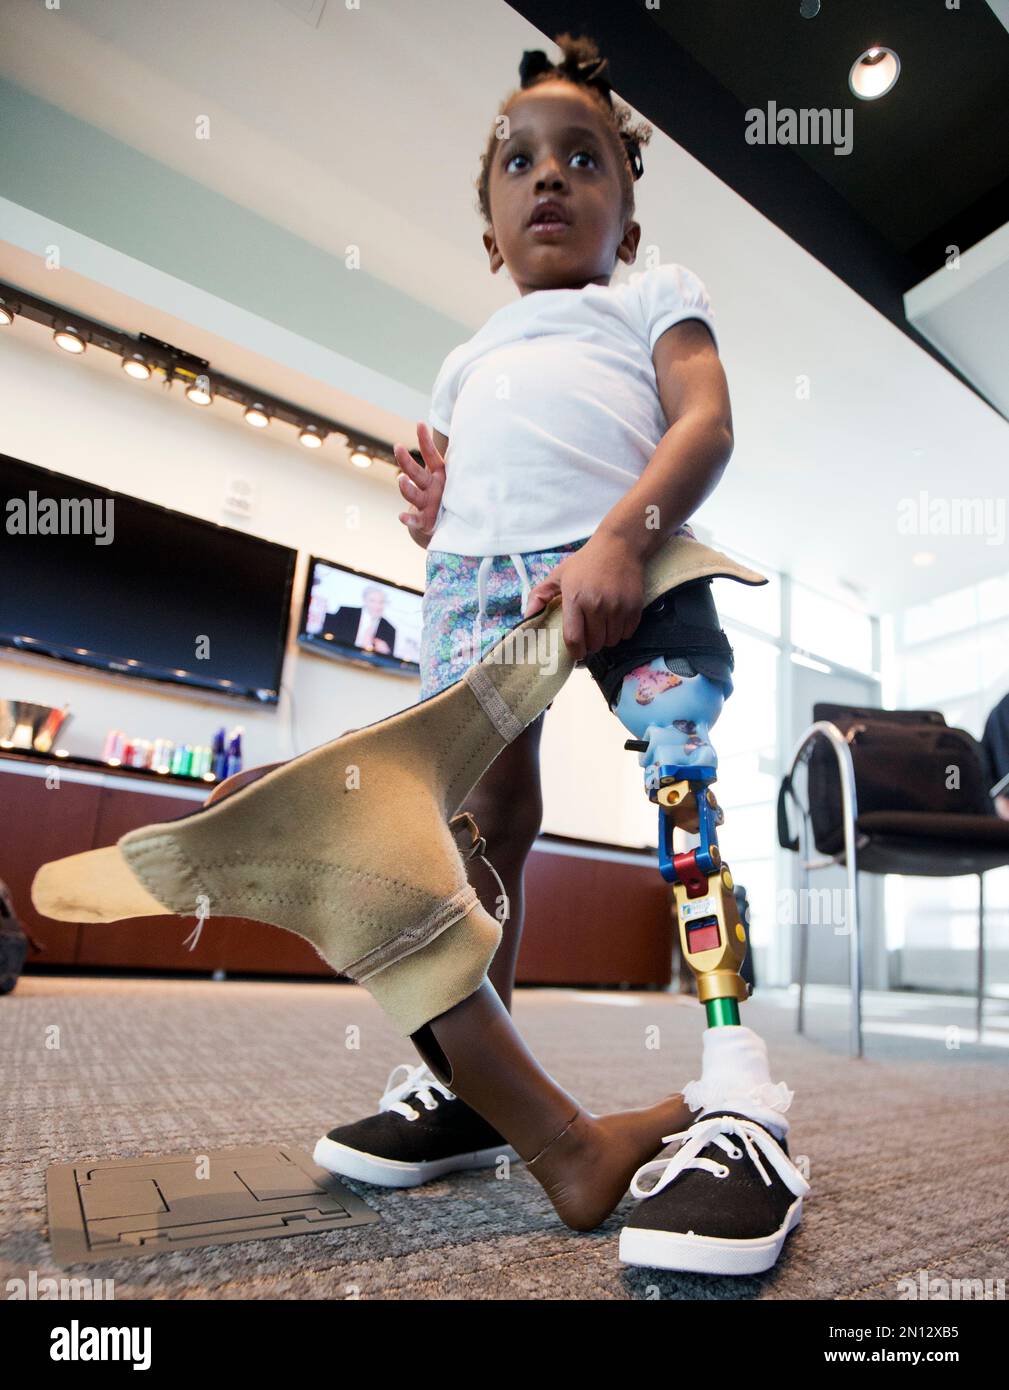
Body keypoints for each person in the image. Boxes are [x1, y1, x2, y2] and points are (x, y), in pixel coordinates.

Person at [313, 34, 807, 1274]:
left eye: (583, 160)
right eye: (520, 162)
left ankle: (737, 1088)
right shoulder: (467, 353)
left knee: (681, 782)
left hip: (623, 559)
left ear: (625, 220)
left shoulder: (645, 296)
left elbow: (705, 419)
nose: (549, 178)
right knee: (478, 830)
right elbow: (476, 479)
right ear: (489, 224)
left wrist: (618, 541)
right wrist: (441, 515)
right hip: (478, 585)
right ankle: (476, 1089)